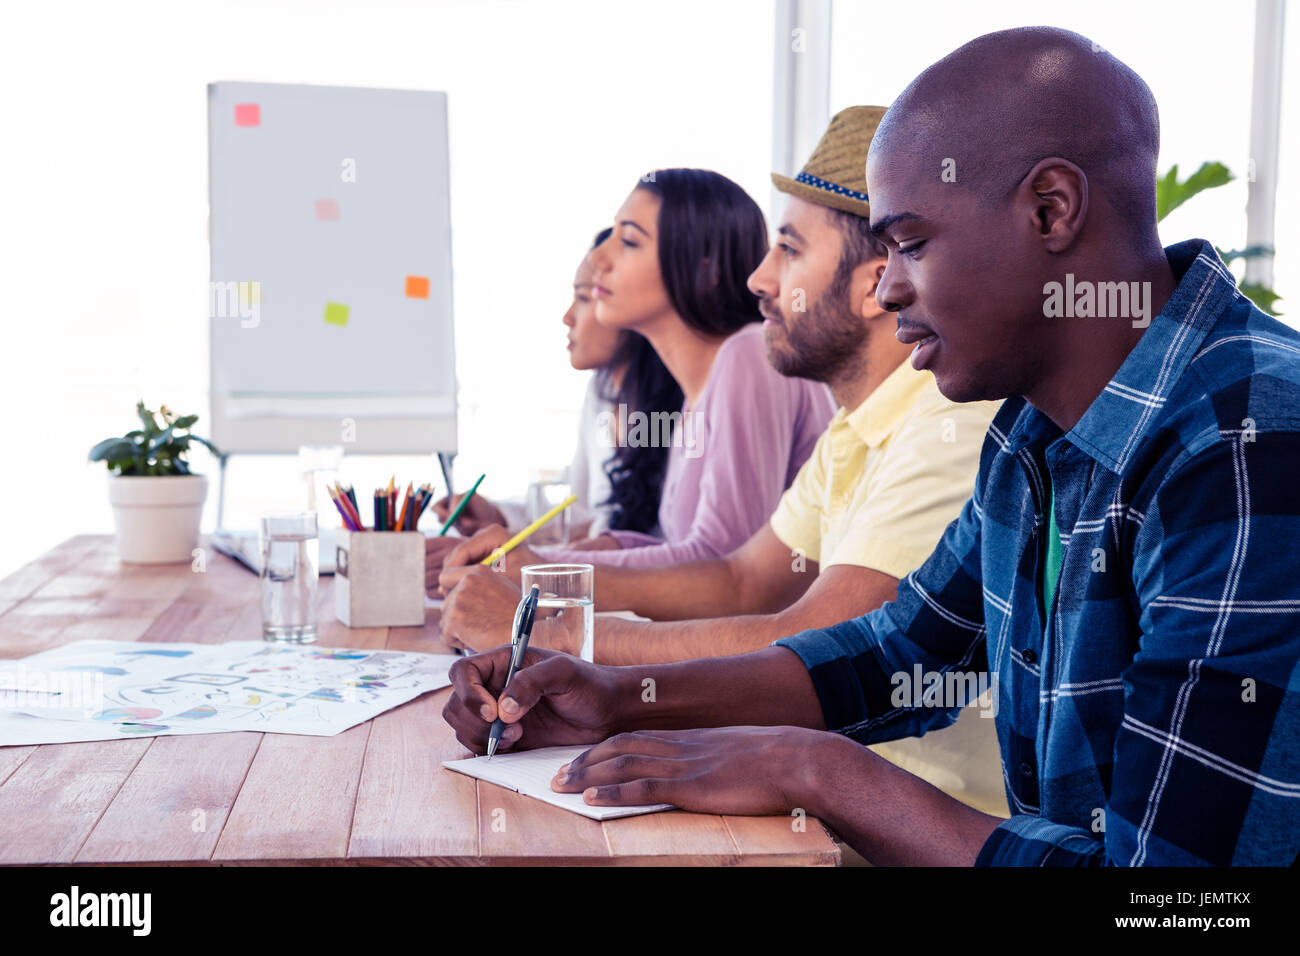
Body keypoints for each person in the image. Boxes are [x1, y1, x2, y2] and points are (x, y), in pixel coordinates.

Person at [439, 27, 1300, 866]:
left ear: (1051, 209)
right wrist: (617, 700)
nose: (887, 289)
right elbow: (902, 651)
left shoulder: (1242, 444)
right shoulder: (1033, 432)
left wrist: (810, 766)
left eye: (912, 244)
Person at [435, 108, 1008, 818]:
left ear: (875, 282)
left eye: (790, 251)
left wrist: (558, 634)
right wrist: (587, 674)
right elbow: (740, 578)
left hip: (882, 830)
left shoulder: (949, 424)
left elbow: (816, 637)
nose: (759, 279)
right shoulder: (856, 427)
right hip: (817, 802)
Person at [435, 168, 835, 577]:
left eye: (628, 241)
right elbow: (677, 547)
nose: (598, 258)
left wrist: (535, 566)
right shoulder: (697, 393)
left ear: (705, 268)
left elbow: (719, 565)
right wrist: (543, 555)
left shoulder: (749, 355)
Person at [424, 229, 682, 587]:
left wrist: (530, 562)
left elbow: (695, 553)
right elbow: (579, 511)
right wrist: (496, 514)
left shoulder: (685, 405)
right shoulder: (603, 391)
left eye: (584, 298)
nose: (567, 317)